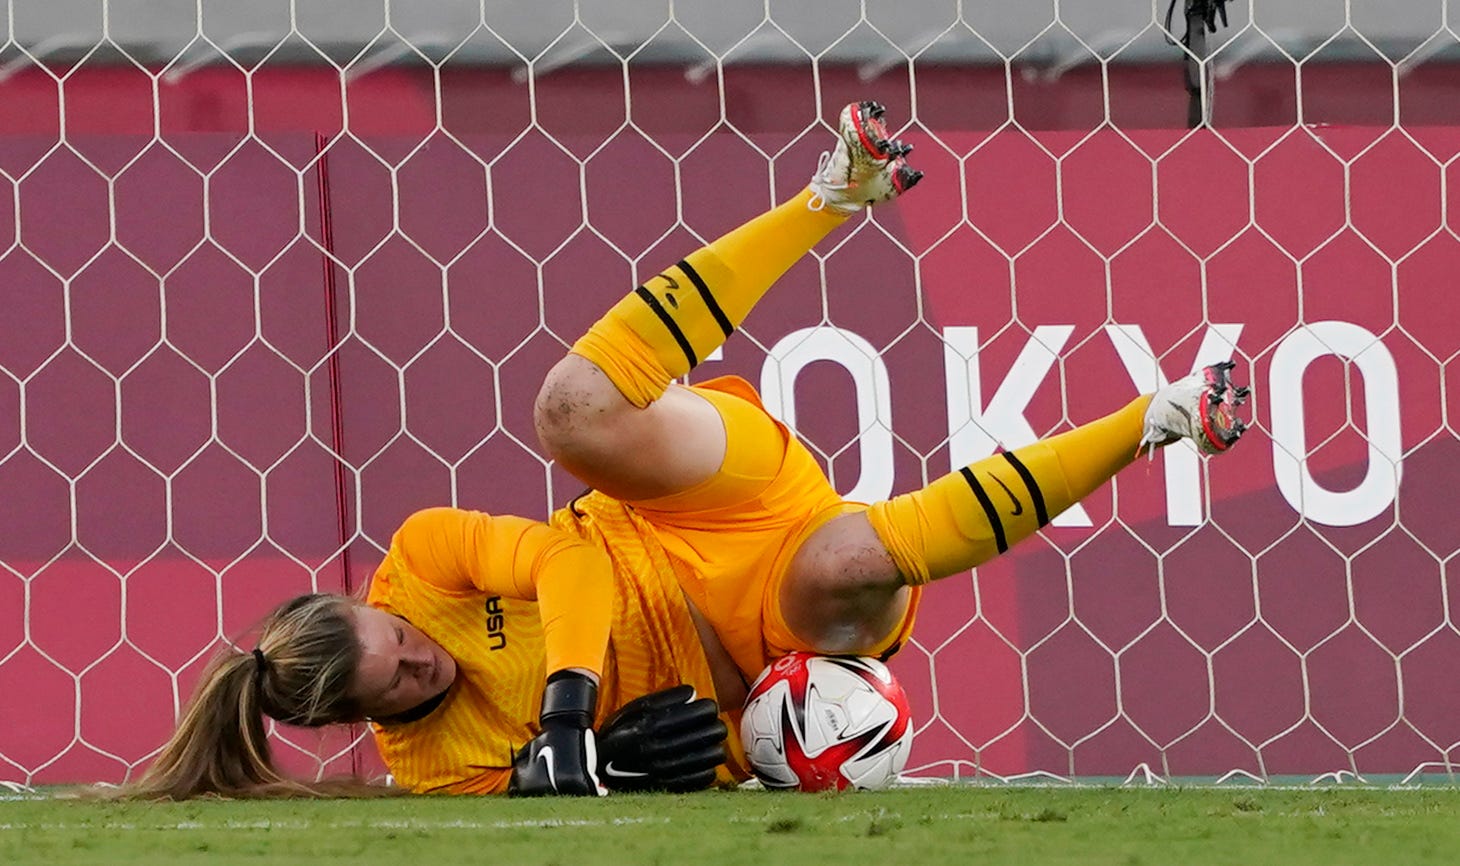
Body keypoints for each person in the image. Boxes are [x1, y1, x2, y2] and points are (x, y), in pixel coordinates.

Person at [125, 101, 1247, 799]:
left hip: (681, 512)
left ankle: (829, 193)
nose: (430, 662)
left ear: (369, 603)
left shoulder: (420, 558)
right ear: (360, 722)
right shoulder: (435, 769)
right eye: (403, 689)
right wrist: (601, 764)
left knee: (570, 411)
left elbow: (563, 564)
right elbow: (646, 774)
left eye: (403, 644)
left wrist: (565, 709)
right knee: (852, 568)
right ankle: (1159, 419)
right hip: (761, 641)